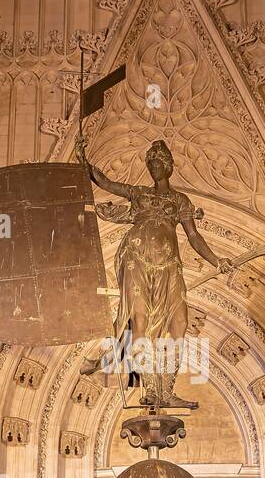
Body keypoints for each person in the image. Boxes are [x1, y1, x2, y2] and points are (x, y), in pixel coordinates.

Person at [76, 136, 231, 409]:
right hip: (137, 259)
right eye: (151, 163)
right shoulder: (139, 194)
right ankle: (150, 388)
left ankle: (166, 389)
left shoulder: (180, 200)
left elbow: (193, 236)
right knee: (140, 322)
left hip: (169, 265)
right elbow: (105, 182)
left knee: (180, 323)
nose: (154, 167)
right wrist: (84, 161)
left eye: (159, 162)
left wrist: (217, 261)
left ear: (169, 166)